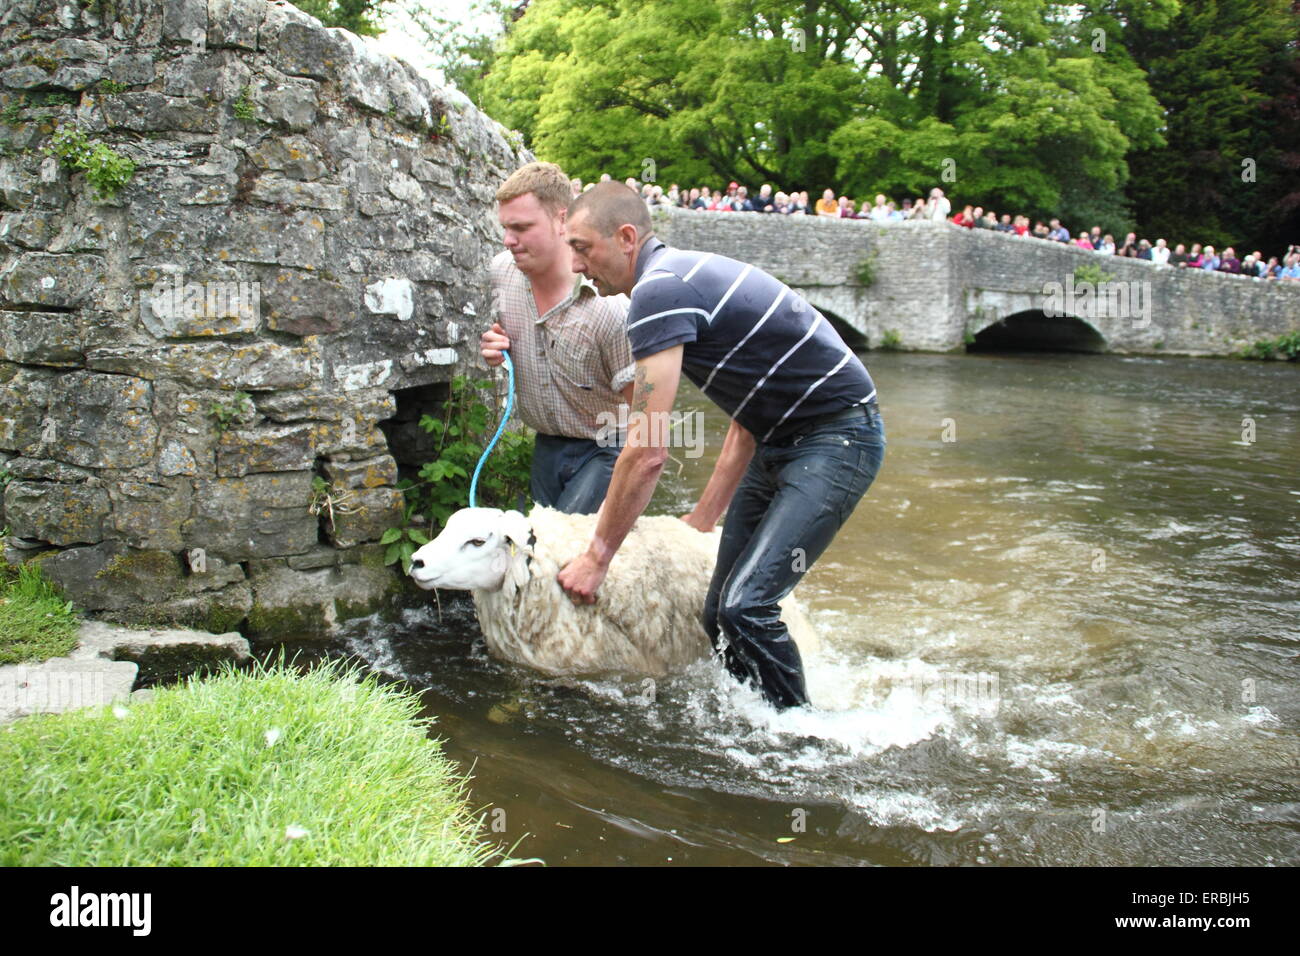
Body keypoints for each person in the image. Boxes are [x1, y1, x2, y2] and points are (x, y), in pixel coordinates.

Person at [555, 183, 885, 710]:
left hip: (838, 437)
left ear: (625, 237)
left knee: (747, 608)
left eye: (581, 246)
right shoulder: (677, 279)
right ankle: (757, 719)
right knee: (718, 613)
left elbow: (645, 448)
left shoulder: (657, 292)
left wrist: (597, 558)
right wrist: (704, 519)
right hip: (780, 438)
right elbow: (746, 418)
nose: (575, 265)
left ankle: (806, 739)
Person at [480, 162, 637, 514]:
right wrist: (495, 346)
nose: (508, 240)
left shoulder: (611, 307)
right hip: (546, 446)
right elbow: (501, 333)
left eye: (521, 228)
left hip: (607, 449)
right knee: (539, 554)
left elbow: (649, 412)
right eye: (505, 228)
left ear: (562, 221)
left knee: (566, 558)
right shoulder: (501, 272)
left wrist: (636, 482)